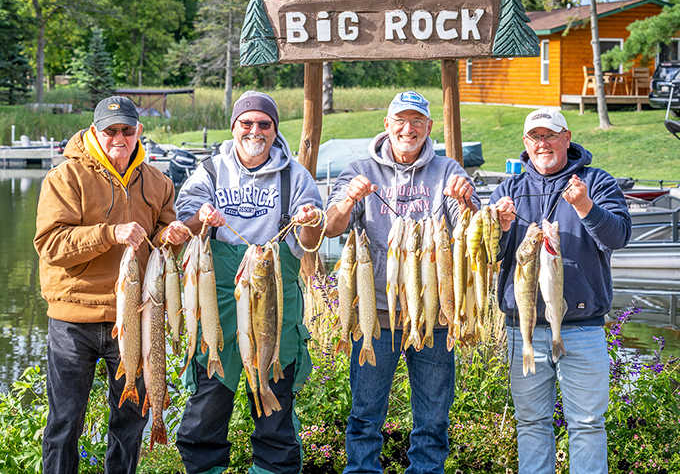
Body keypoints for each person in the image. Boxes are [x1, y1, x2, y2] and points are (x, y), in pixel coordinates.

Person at [34, 96, 190, 473]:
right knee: (64, 423)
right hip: (75, 319)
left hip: (135, 318)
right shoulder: (65, 178)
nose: (119, 137)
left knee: (129, 423)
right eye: (111, 130)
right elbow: (50, 245)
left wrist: (173, 234)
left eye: (127, 129)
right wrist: (110, 234)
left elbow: (160, 233)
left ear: (139, 131)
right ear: (95, 131)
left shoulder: (157, 181)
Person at [325, 90, 478, 474]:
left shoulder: (449, 170)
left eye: (417, 122)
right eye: (400, 121)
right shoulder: (359, 169)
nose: (407, 129)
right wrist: (347, 201)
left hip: (435, 317)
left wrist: (467, 203)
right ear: (387, 125)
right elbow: (330, 227)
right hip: (375, 313)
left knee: (433, 420)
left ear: (429, 127)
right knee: (365, 415)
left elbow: (471, 234)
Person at [174, 91, 324, 474]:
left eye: (264, 124)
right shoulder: (209, 170)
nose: (254, 130)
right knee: (208, 404)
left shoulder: (296, 176)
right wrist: (201, 217)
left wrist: (311, 221)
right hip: (218, 299)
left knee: (275, 406)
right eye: (247, 122)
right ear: (234, 126)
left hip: (278, 299)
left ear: (274, 131)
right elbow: (184, 223)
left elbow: (310, 241)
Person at [490, 107, 632, 474]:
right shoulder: (509, 189)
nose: (543, 144)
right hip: (523, 331)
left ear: (566, 138)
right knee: (531, 424)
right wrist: (500, 228)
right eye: (535, 137)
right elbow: (489, 256)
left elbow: (619, 237)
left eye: (550, 135)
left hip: (584, 327)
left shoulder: (596, 181)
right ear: (525, 144)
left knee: (587, 424)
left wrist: (584, 205)